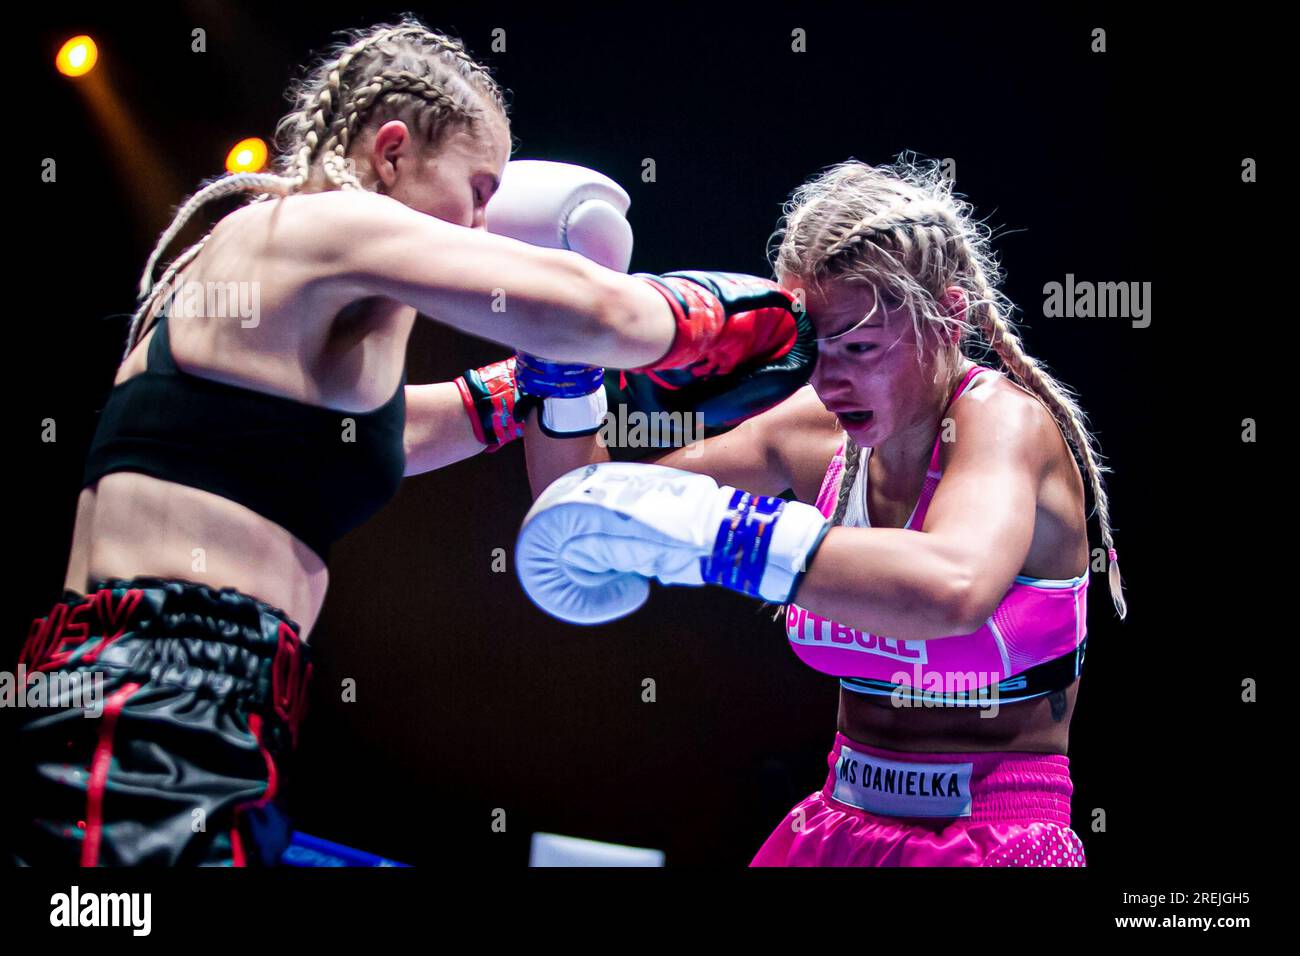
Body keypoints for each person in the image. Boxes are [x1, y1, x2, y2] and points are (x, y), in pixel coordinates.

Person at [12, 19, 719, 866]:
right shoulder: (323, 226)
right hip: (156, 692)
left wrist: (527, 386)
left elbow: (369, 440)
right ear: (391, 153)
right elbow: (599, 311)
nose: (486, 221)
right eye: (480, 186)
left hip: (188, 691)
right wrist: (747, 318)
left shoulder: (291, 282)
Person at [517, 155, 1125, 866]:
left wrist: (725, 538)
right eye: (814, 350)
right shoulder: (813, 430)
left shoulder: (1002, 425)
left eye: (861, 348)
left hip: (994, 833)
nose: (830, 380)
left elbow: (950, 588)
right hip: (839, 822)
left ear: (949, 319)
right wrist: (558, 354)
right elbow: (581, 505)